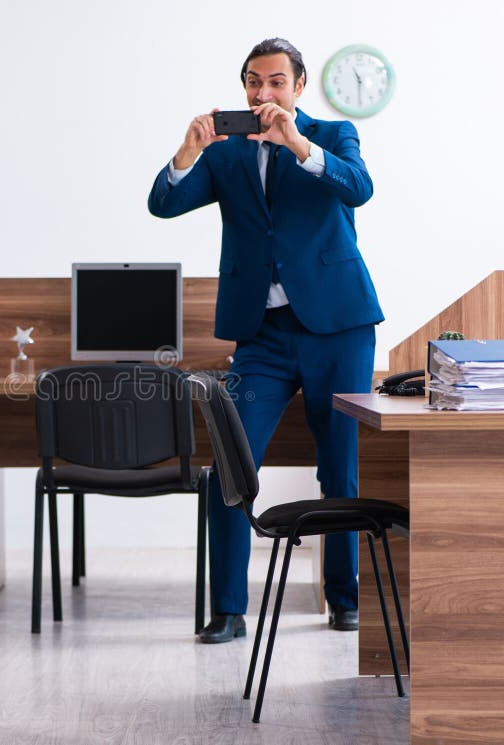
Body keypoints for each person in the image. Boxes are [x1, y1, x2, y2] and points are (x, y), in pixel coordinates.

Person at [148, 38, 383, 643]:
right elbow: (163, 204)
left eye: (276, 81)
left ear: (299, 86)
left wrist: (298, 145)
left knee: (341, 469)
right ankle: (228, 609)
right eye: (254, 81)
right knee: (229, 466)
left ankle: (344, 598)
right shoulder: (226, 154)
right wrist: (188, 151)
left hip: (338, 326)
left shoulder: (332, 135)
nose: (263, 93)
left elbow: (359, 188)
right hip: (263, 337)